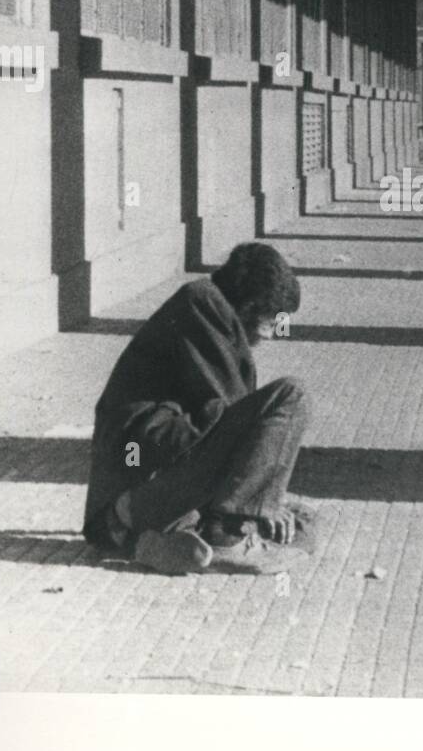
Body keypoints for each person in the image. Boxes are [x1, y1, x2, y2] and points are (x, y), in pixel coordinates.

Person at [83, 242, 312, 576]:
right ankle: (222, 535)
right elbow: (240, 425)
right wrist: (263, 503)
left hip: (153, 479)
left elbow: (229, 429)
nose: (273, 335)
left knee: (304, 525)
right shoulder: (202, 303)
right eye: (270, 322)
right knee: (292, 395)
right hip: (137, 477)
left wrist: (266, 500)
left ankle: (157, 539)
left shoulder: (211, 312)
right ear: (247, 306)